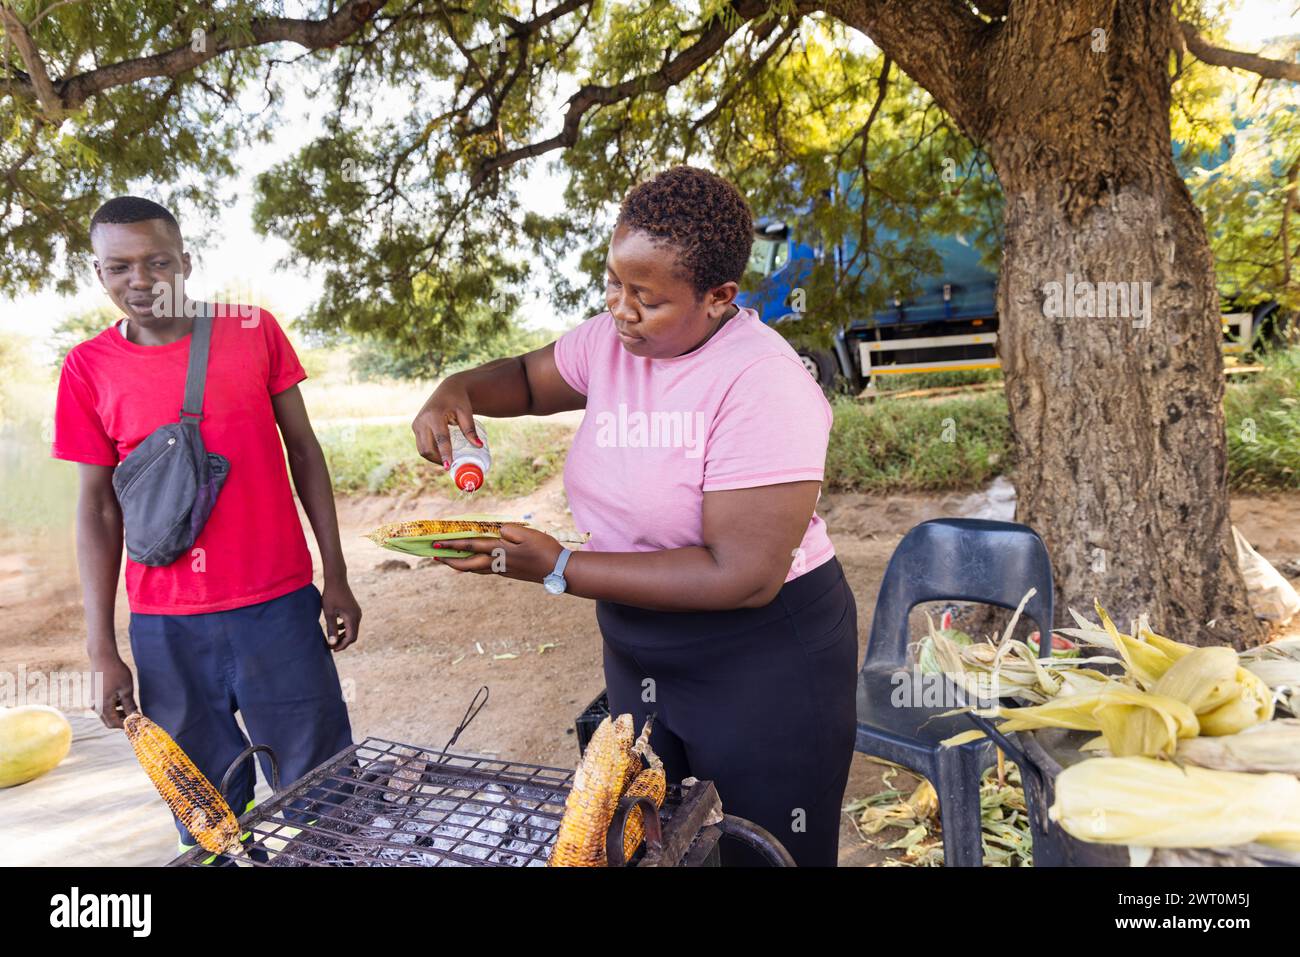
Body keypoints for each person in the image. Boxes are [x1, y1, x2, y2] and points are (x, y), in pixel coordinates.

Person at [411, 166, 857, 867]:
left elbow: (741, 574)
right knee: (650, 845)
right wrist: (455, 388)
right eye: (613, 282)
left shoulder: (764, 381)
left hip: (760, 660)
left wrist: (557, 564)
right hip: (638, 645)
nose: (620, 308)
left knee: (759, 851)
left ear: (718, 298)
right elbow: (527, 381)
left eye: (644, 296)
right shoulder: (610, 343)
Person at [52, 196, 360, 861]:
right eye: (119, 267)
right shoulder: (86, 368)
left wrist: (335, 575)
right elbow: (97, 507)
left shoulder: (253, 331)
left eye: (157, 261)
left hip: (277, 606)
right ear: (98, 273)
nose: (140, 280)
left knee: (327, 798)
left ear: (185, 263)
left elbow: (304, 450)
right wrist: (102, 647)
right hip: (166, 630)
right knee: (205, 815)